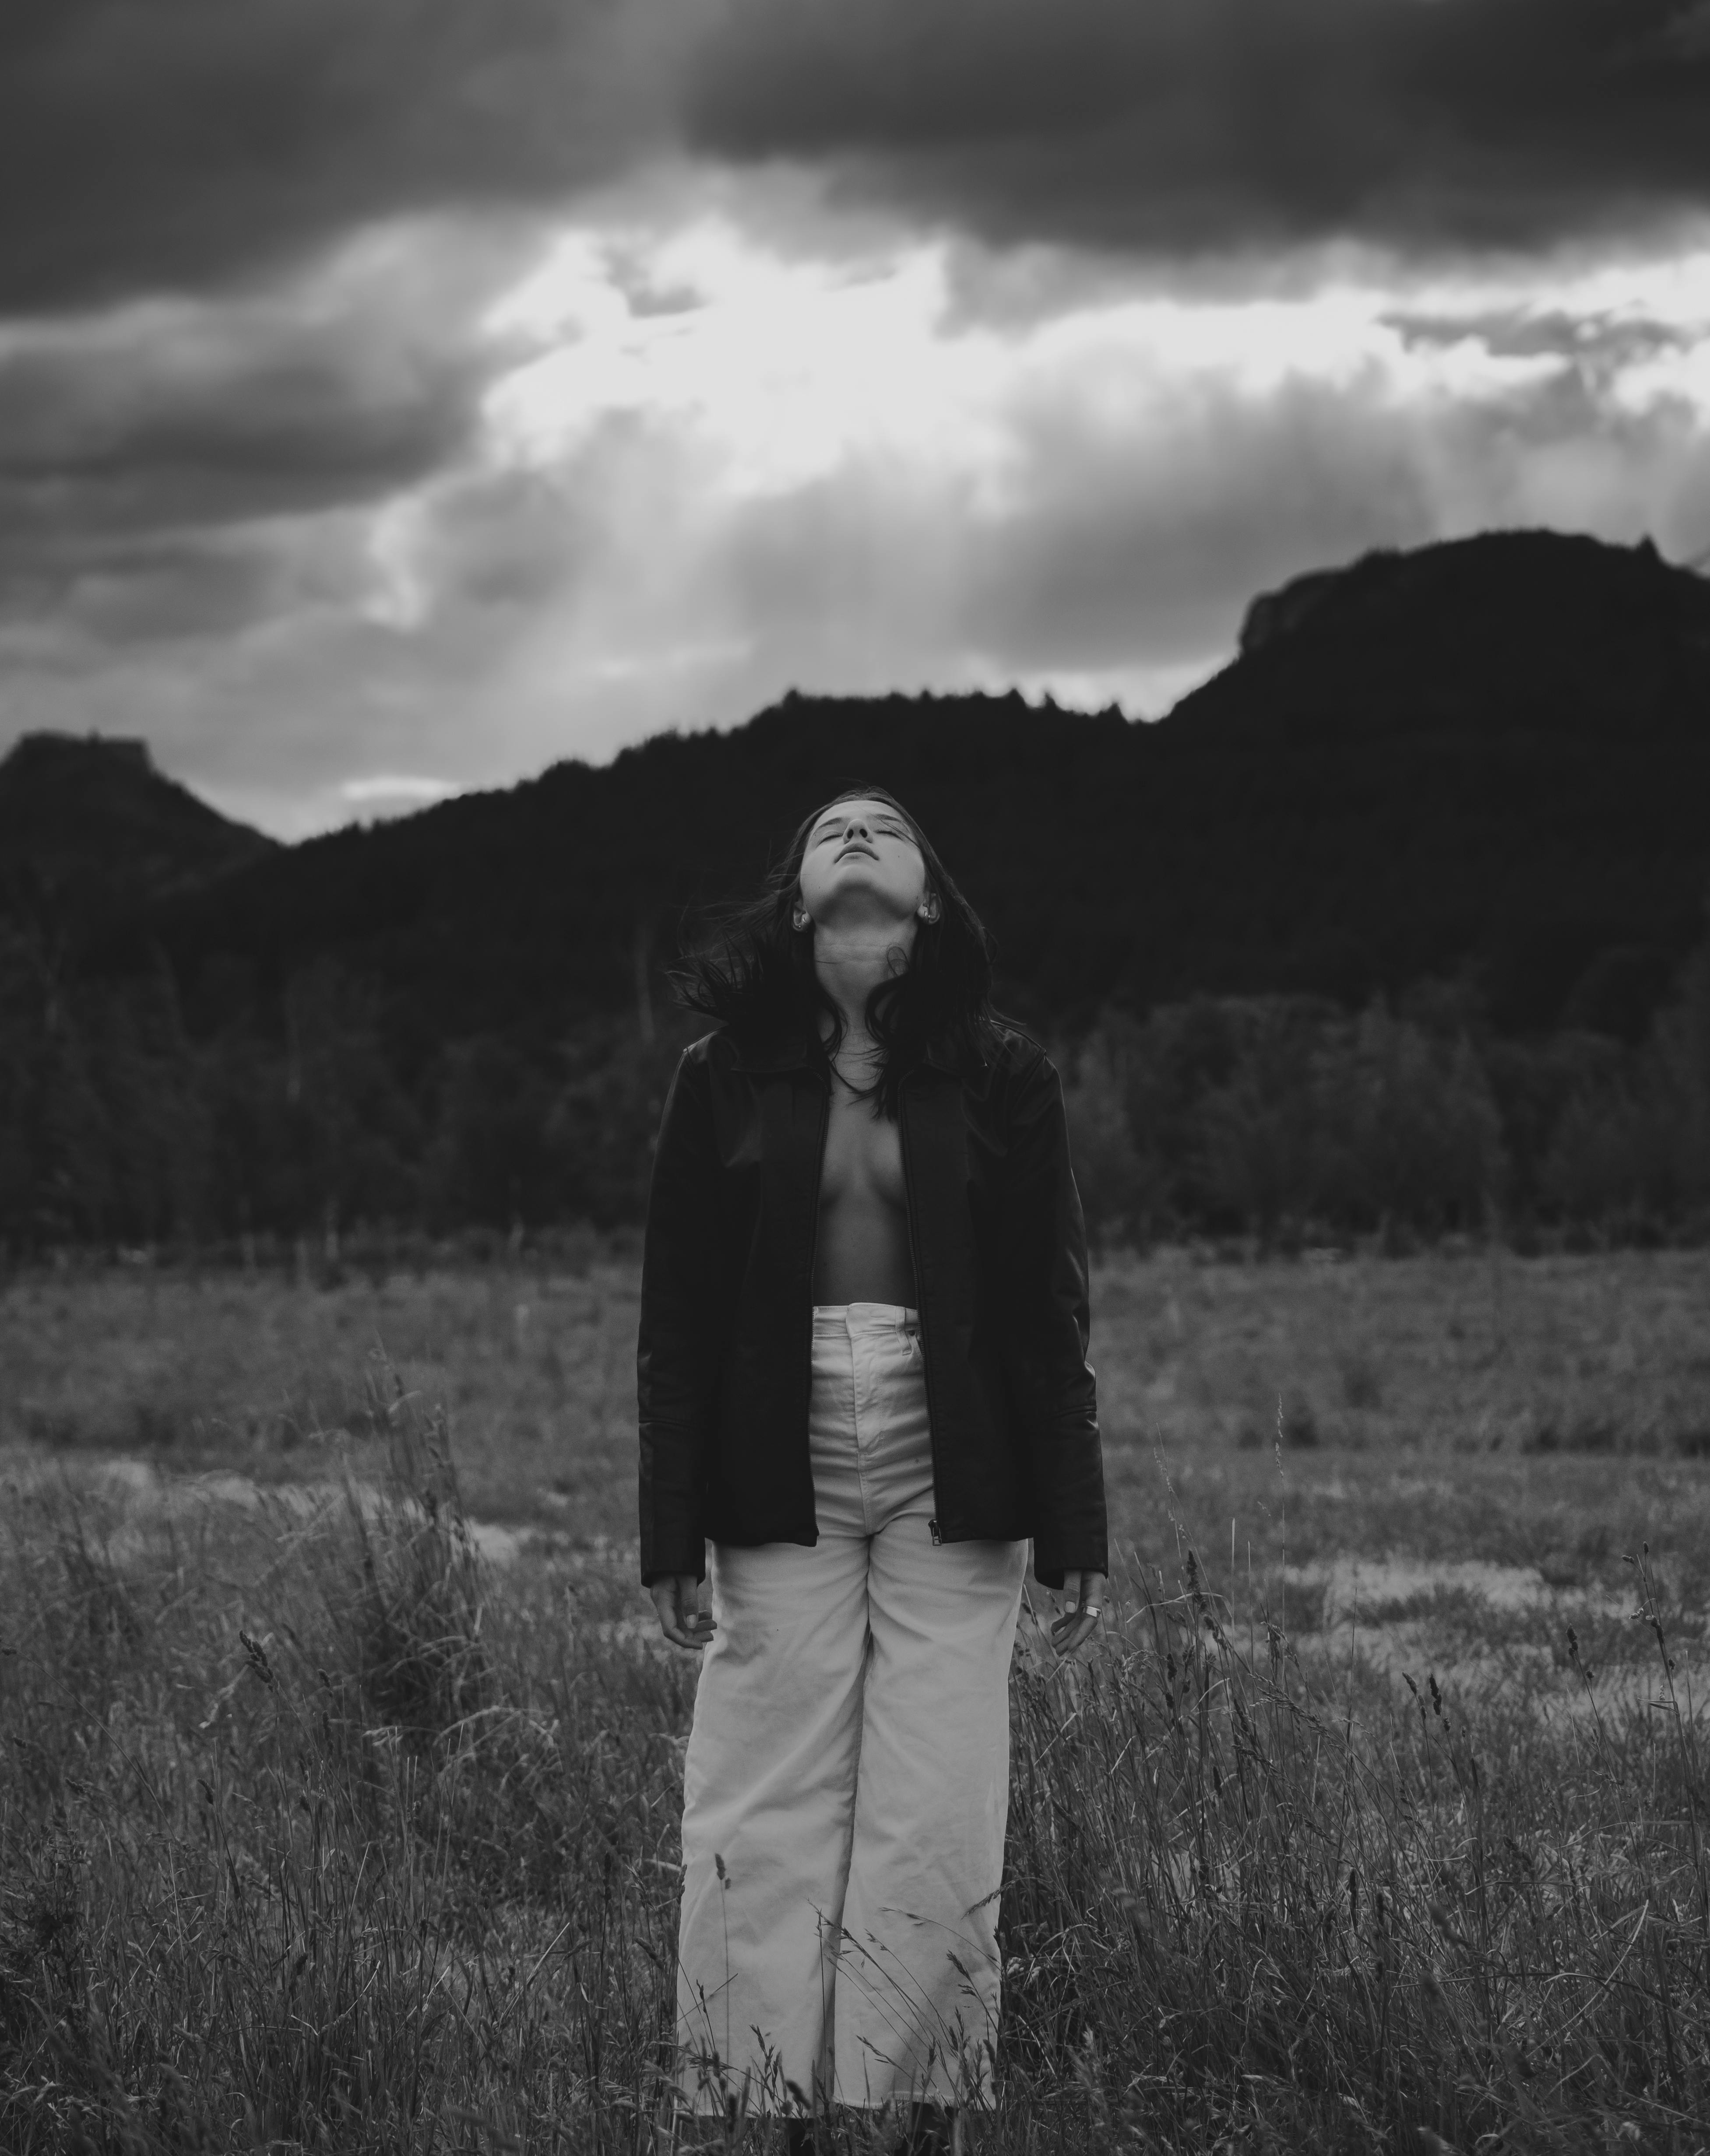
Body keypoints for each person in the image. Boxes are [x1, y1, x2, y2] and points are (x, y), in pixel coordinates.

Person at [637, 786, 1107, 2151]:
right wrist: (669, 1527)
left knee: (936, 1790)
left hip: (948, 1451)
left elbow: (1043, 1305)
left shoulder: (1003, 1071)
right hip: (767, 1451)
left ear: (928, 905)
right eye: (829, 828)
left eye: (883, 826)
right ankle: (756, 2106)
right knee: (758, 1787)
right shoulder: (715, 1073)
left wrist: (1072, 1514)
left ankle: (911, 2112)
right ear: (797, 902)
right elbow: (675, 1319)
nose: (853, 829)